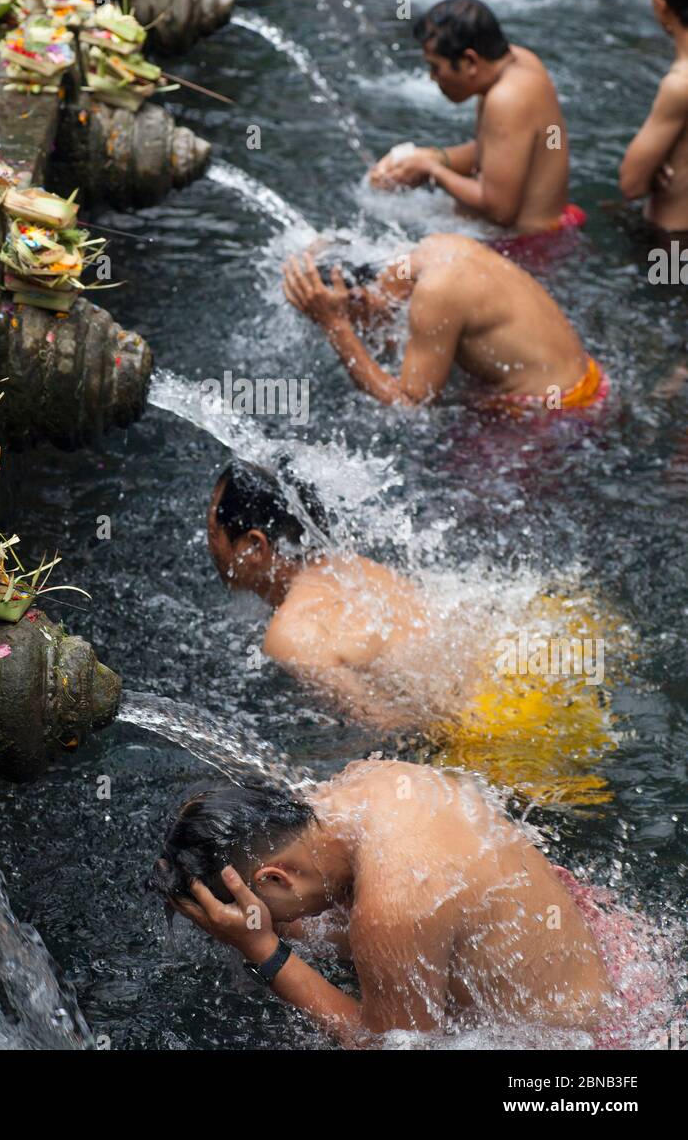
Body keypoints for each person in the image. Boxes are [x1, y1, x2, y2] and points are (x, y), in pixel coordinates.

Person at [207, 459, 616, 805]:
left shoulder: (291, 634)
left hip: (497, 742)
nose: (207, 543)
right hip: (527, 684)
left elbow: (383, 725)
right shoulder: (355, 566)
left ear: (254, 546)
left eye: (213, 529)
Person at [147, 762, 617, 1044]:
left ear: (273, 877)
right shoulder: (369, 785)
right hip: (598, 954)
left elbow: (393, 1046)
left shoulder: (394, 907)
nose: (288, 921)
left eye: (267, 906)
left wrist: (263, 951)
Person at [283, 233, 608, 413]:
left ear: (359, 299)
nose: (363, 332)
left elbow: (410, 407)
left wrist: (336, 326)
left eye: (356, 322)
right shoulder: (436, 247)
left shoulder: (435, 293)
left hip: (558, 415)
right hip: (588, 377)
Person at [369, 0, 582, 236]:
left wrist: (432, 171)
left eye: (436, 67)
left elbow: (500, 211)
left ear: (470, 61)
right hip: (555, 226)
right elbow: (504, 151)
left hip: (529, 248)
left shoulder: (506, 99)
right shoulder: (521, 61)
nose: (431, 78)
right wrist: (432, 157)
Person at [620, 0, 688, 234]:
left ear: (659, 3)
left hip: (672, 246)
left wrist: (648, 169)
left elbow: (631, 183)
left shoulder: (680, 84)